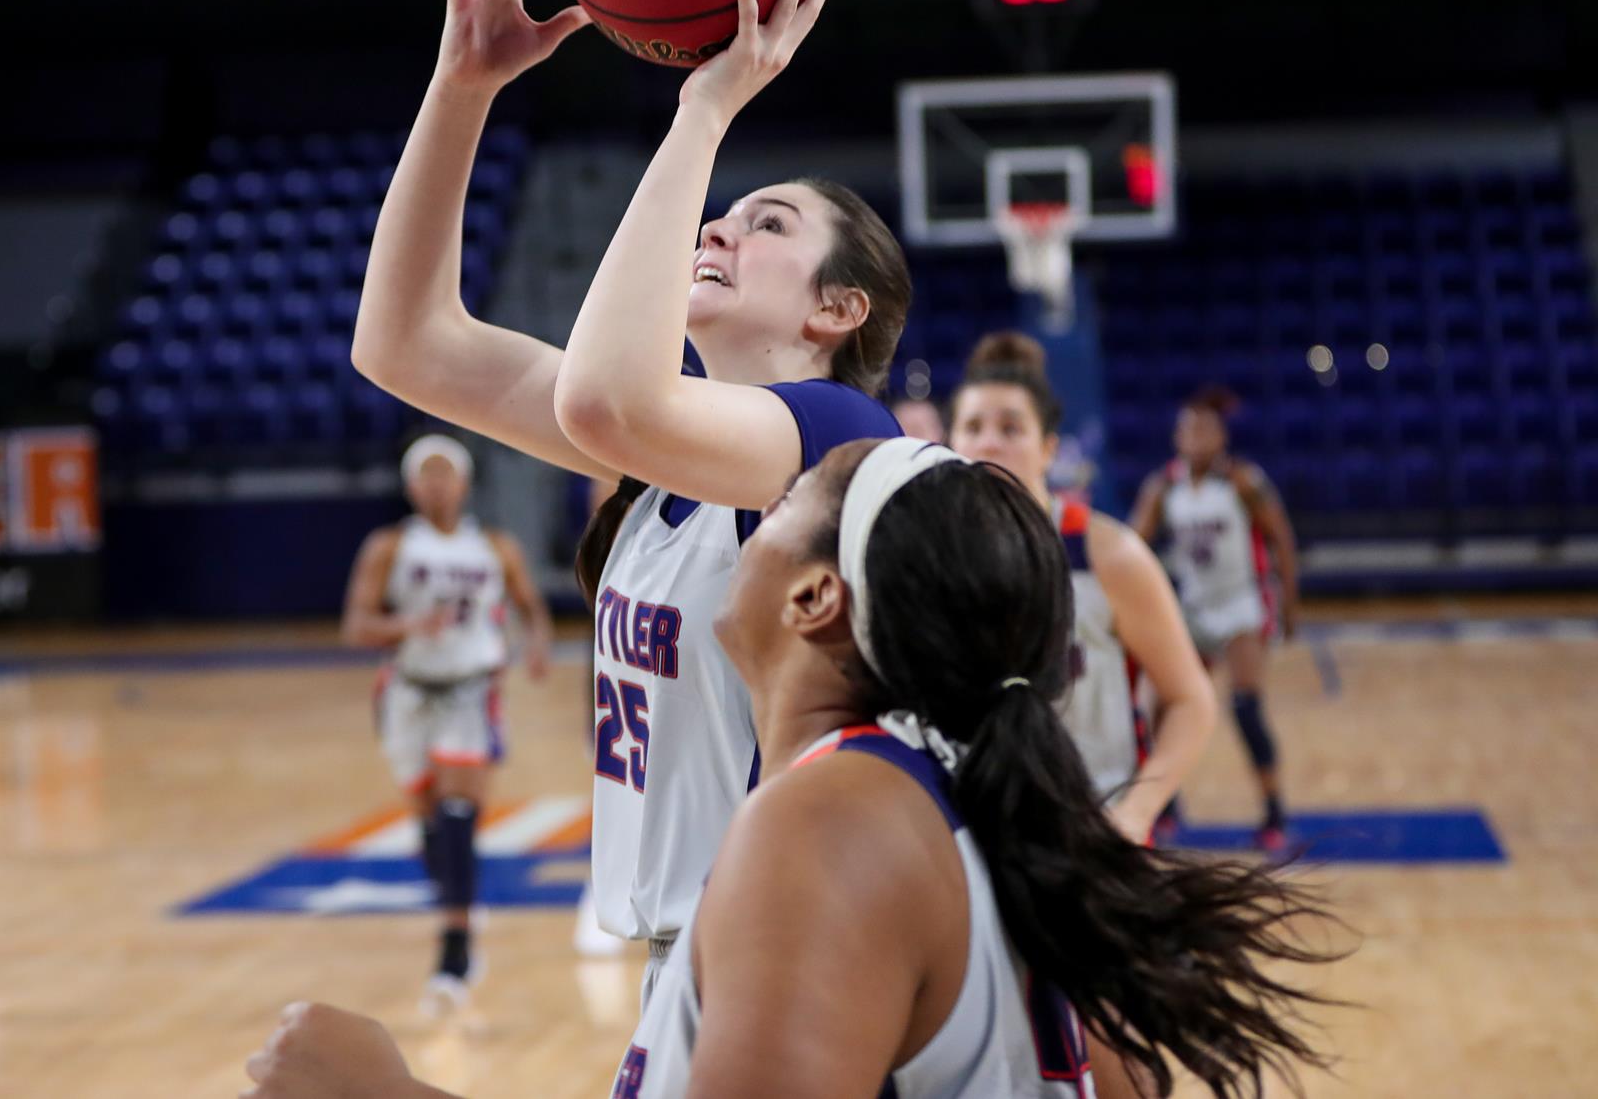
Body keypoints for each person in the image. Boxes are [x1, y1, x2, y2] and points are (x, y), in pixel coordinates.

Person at [242, 439, 1339, 1099]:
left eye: (786, 503)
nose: (751, 512)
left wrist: (388, 1092)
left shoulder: (831, 824)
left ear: (817, 598)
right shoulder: (968, 807)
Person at [350, 0, 907, 989]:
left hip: (785, 950)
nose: (717, 224)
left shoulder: (836, 437)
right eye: (727, 210)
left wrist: (705, 107)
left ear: (834, 310)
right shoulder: (669, 467)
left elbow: (605, 396)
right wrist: (462, 86)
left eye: (767, 224)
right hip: (692, 956)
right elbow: (400, 343)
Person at [947, 334, 1216, 843]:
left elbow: (1191, 700)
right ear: (950, 443)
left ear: (1049, 449)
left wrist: (1137, 813)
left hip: (1089, 827)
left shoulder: (1109, 553)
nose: (988, 443)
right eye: (973, 427)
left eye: (1010, 428)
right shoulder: (931, 555)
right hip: (972, 833)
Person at [339, 433, 552, 1013]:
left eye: (446, 474)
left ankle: (453, 955)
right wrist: (407, 626)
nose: (437, 485)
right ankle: (458, 904)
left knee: (459, 815)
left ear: (463, 483)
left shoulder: (496, 547)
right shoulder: (389, 546)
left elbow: (532, 605)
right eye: (425, 476)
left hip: (471, 688)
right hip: (407, 692)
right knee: (430, 821)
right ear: (411, 487)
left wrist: (535, 646)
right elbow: (355, 626)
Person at [1130, 387, 1302, 852]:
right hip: (1193, 606)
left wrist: (1289, 602)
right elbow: (1132, 547)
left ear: (1222, 436)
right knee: (1161, 708)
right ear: (1176, 436)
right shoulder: (1163, 487)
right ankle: (1165, 805)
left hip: (1241, 602)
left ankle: (1274, 811)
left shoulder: (1244, 481)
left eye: (1205, 428)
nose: (1195, 436)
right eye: (1187, 428)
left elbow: (1281, 537)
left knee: (1246, 708)